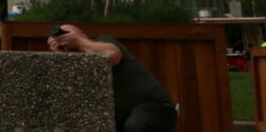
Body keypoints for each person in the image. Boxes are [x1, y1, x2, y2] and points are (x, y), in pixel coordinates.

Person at [48, 24, 177, 132]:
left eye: (69, 35)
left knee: (136, 126)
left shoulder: (103, 42)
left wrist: (79, 42)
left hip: (156, 108)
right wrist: (61, 57)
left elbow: (112, 55)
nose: (66, 39)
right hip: (120, 118)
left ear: (84, 36)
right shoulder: (75, 66)